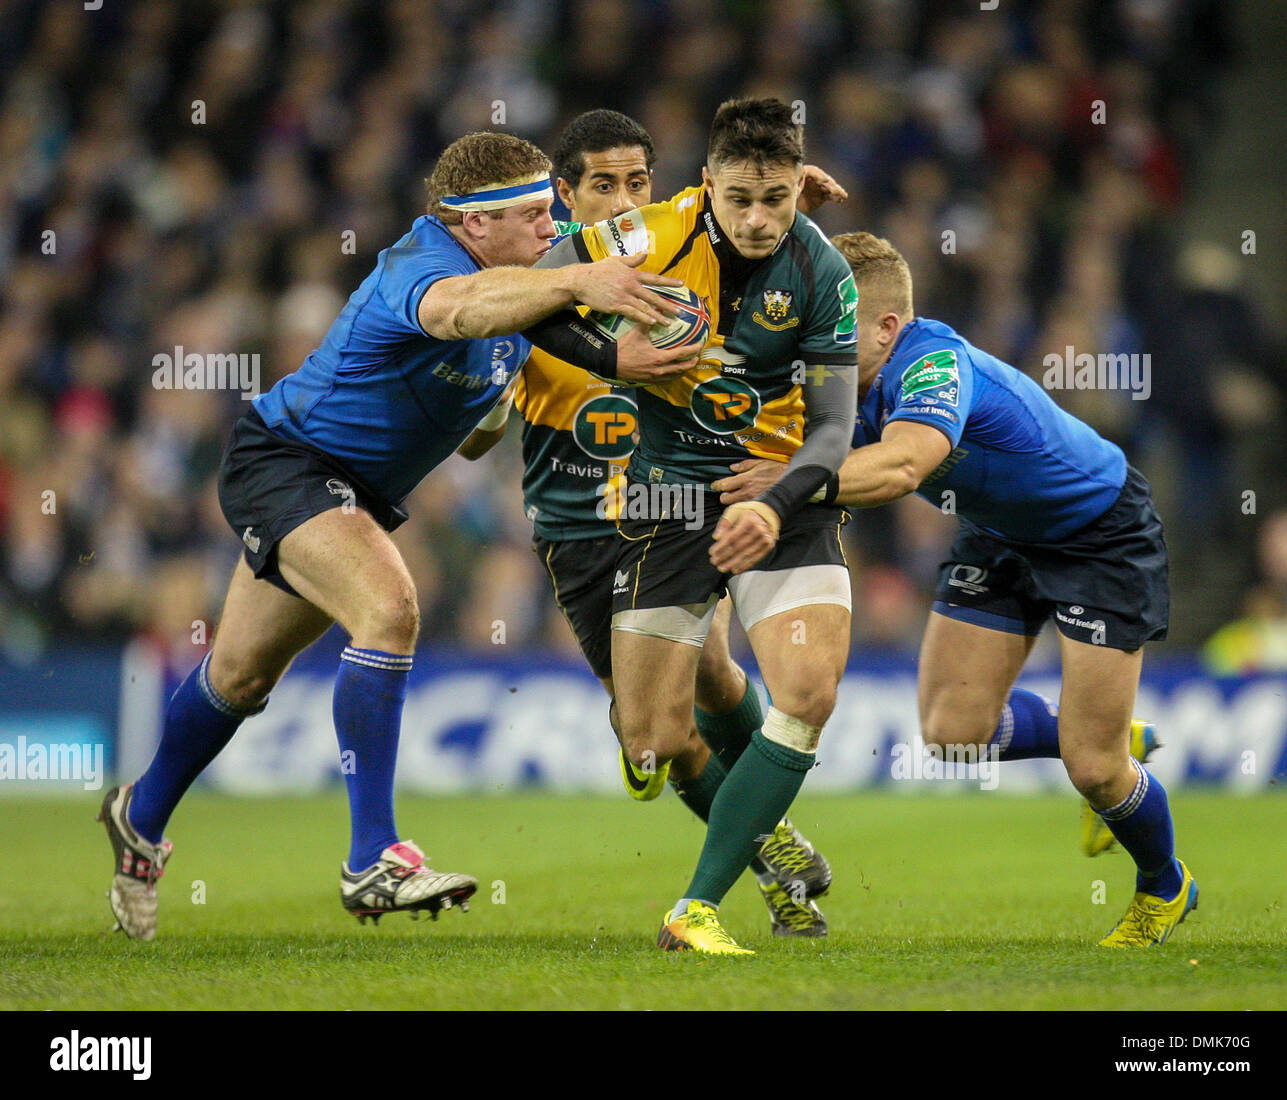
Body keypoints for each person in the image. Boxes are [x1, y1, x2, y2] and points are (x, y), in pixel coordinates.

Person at [97, 130, 700, 940]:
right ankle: (372, 857)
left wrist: (748, 193)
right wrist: (584, 280)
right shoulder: (420, 269)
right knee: (390, 609)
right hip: (288, 463)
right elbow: (458, 314)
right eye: (531, 214)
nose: (552, 226)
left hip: (357, 491)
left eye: (551, 209)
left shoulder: (517, 279)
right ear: (471, 225)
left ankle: (140, 815)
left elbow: (526, 346)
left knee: (240, 677)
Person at [715, 231, 1197, 947]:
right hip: (999, 536)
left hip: (1099, 534)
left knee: (1095, 770)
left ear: (886, 327)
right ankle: (1098, 729)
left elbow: (906, 465)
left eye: (833, 328)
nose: (817, 345)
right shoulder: (844, 378)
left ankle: (1165, 885)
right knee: (952, 733)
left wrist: (790, 488)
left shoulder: (935, 362)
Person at [459, 109, 848, 938]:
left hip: (667, 502)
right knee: (655, 736)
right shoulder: (536, 279)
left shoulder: (666, 242)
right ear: (565, 196)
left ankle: (761, 864)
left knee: (709, 686)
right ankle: (769, 835)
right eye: (603, 185)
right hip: (577, 516)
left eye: (637, 182)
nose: (622, 199)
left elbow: (732, 217)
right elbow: (472, 418)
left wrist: (776, 208)